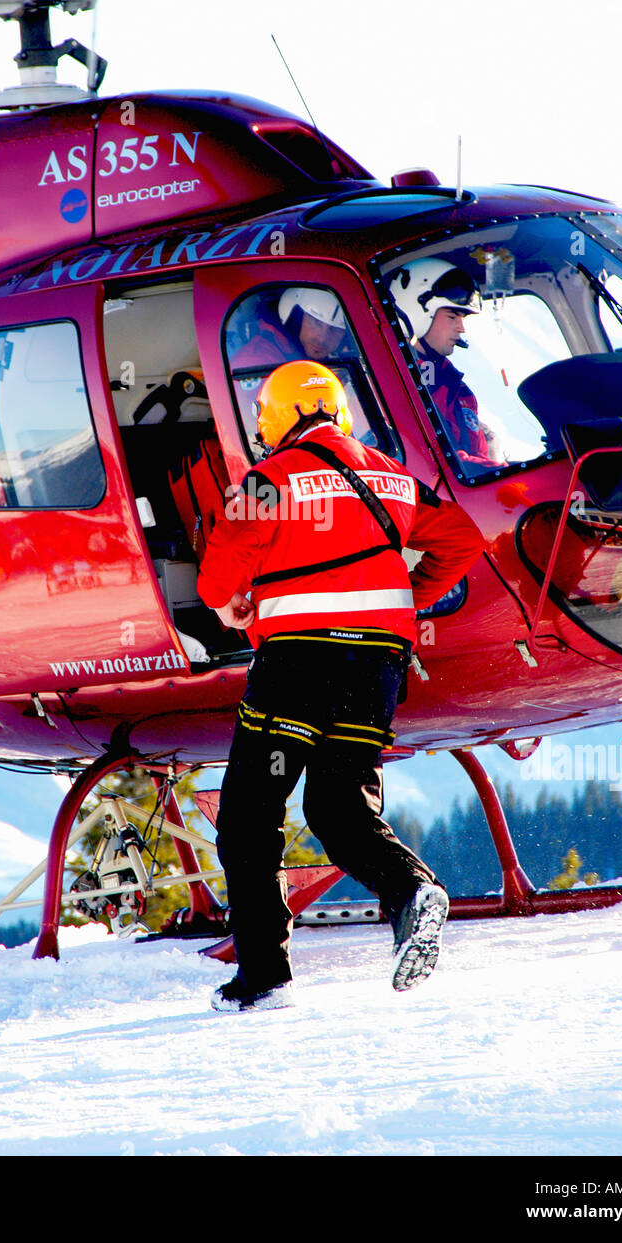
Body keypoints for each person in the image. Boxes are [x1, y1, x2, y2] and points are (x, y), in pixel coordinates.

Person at [196, 359, 484, 1012]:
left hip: (297, 670)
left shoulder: (267, 480)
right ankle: (413, 890)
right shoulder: (393, 477)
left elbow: (216, 579)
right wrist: (401, 601)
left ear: (279, 417)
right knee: (338, 808)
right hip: (376, 671)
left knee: (249, 819)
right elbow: (462, 542)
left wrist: (229, 607)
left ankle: (264, 979)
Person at [389, 259, 504, 467]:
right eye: (452, 317)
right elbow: (433, 461)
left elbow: (474, 456)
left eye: (462, 319)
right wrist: (495, 468)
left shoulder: (457, 388)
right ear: (417, 314)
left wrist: (493, 458)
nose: (462, 329)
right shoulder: (392, 381)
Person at [230, 286, 350, 369]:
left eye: (336, 329)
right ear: (294, 318)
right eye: (316, 322)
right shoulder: (256, 361)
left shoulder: (342, 363)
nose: (322, 338)